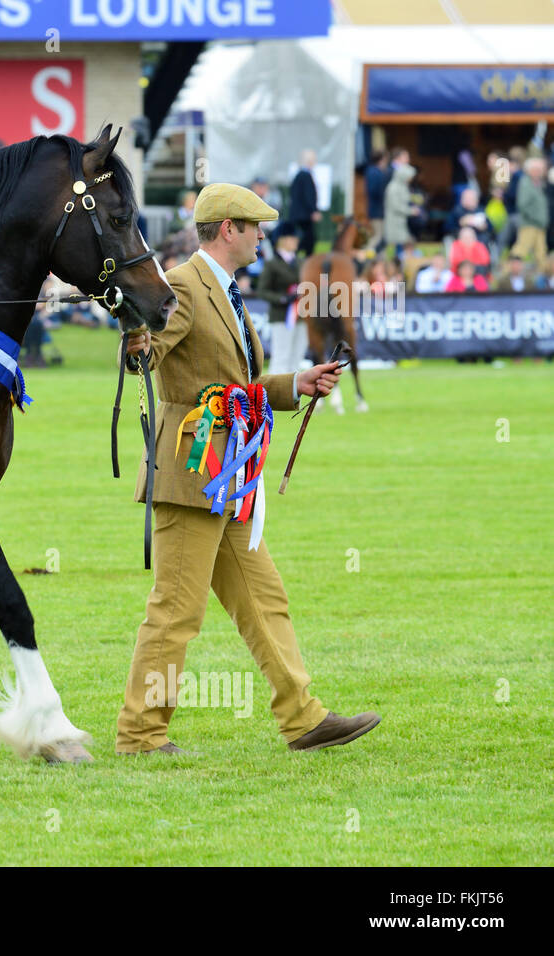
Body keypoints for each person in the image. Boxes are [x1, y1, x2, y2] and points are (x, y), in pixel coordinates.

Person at [115, 182, 377, 756]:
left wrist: (294, 384)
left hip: (227, 475)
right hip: (192, 470)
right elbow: (147, 352)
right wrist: (133, 330)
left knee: (266, 599)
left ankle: (303, 718)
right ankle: (140, 733)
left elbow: (235, 385)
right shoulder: (184, 285)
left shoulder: (224, 290)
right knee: (176, 610)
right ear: (229, 228)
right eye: (256, 225)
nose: (264, 235)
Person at [256, 221, 304, 376]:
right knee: (281, 357)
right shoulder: (272, 264)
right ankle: (275, 395)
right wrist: (283, 298)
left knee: (297, 358)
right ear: (283, 240)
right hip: (281, 315)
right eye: (292, 238)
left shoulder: (300, 262)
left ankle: (293, 396)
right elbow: (262, 291)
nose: (296, 241)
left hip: (301, 316)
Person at [512, 156, 549, 264]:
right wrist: (537, 218)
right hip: (529, 224)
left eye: (540, 170)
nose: (539, 172)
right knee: (520, 251)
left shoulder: (539, 183)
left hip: (540, 225)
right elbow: (522, 204)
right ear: (530, 170)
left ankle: (543, 278)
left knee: (541, 254)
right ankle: (507, 274)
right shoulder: (526, 183)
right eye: (536, 170)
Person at [383, 161, 418, 260]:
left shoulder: (403, 186)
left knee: (402, 243)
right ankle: (396, 263)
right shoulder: (393, 188)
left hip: (401, 222)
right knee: (397, 245)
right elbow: (395, 205)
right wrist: (411, 211)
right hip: (394, 221)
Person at [288, 149, 321, 256]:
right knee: (309, 239)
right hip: (304, 216)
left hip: (298, 215)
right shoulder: (306, 175)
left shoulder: (298, 175)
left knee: (304, 238)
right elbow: (309, 195)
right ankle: (304, 260)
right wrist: (314, 211)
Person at [363, 150, 388, 252]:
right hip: (377, 210)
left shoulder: (371, 171)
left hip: (375, 209)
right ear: (381, 160)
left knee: (380, 236)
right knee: (377, 236)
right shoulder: (376, 173)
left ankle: (378, 258)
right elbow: (374, 191)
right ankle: (364, 255)